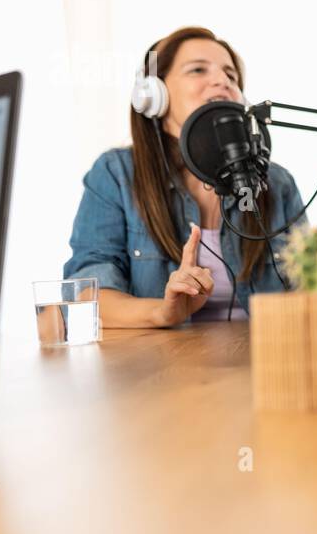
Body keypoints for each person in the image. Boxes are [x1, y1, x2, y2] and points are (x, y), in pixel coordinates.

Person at [63, 26, 304, 327]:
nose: (221, 81)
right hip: (163, 370)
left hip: (268, 362)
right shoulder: (116, 174)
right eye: (198, 70)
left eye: (231, 76)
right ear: (153, 97)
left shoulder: (276, 182)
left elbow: (310, 292)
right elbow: (87, 294)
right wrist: (163, 312)